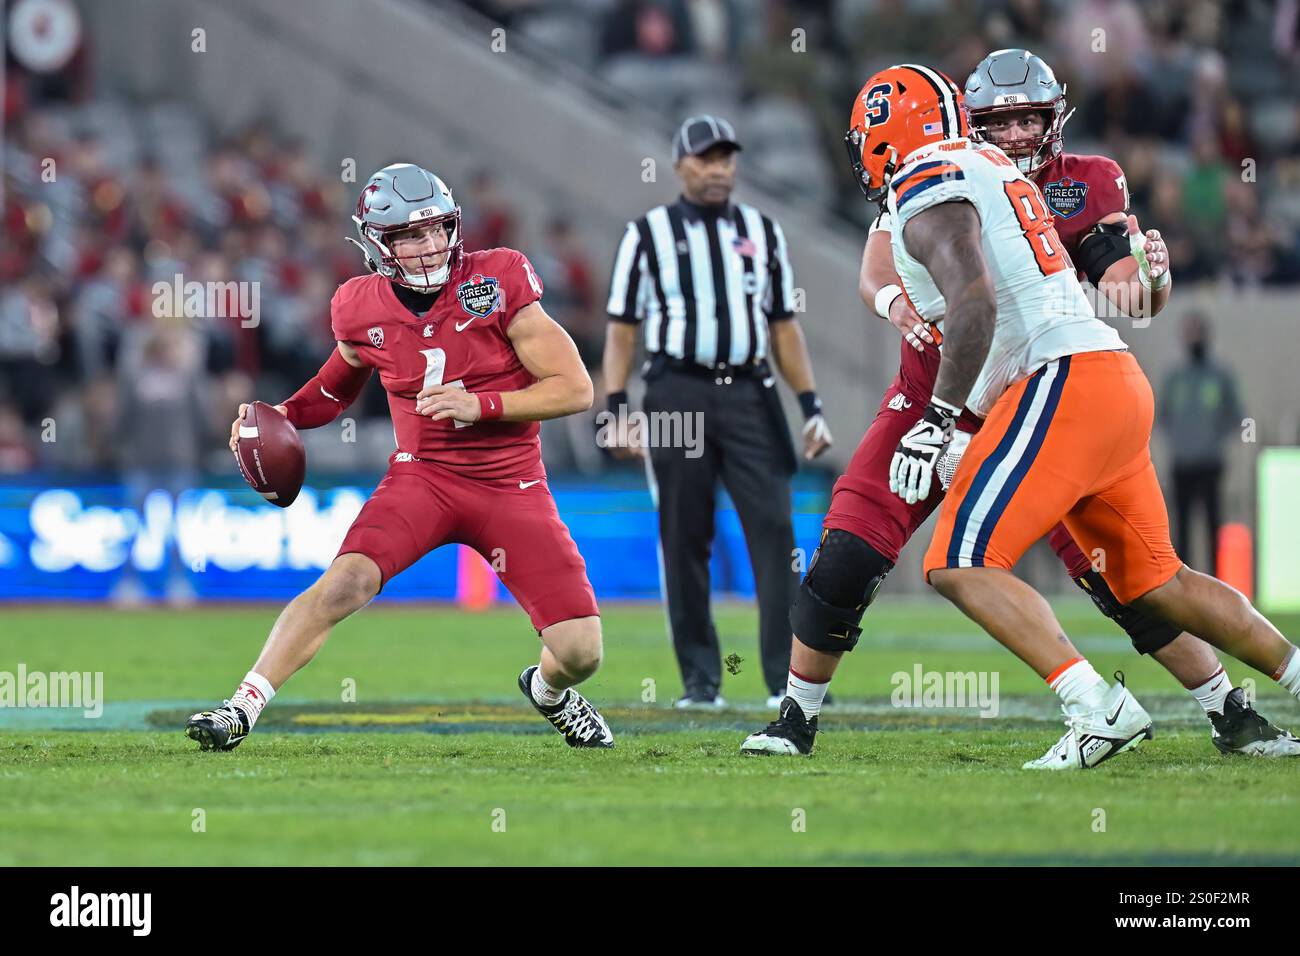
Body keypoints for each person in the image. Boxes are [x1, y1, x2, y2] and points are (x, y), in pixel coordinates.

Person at [747, 62, 1300, 768]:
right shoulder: (980, 167)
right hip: (1030, 380)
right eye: (998, 122)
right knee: (1147, 574)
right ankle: (797, 715)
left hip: (1032, 386)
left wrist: (941, 420)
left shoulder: (948, 178)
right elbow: (884, 270)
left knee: (979, 563)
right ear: (966, 125)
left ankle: (1121, 706)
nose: (1012, 133)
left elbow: (994, 300)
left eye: (1026, 119)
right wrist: (901, 317)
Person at [187, 164, 613, 751]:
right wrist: (278, 416)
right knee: (344, 583)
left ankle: (547, 691)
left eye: (438, 229)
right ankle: (242, 706)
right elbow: (334, 390)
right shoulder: (358, 307)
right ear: (378, 243)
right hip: (425, 478)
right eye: (411, 235)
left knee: (580, 652)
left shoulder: (500, 276)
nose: (431, 244)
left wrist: (481, 405)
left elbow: (575, 388)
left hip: (510, 484)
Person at [603, 114, 833, 708]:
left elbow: (784, 325)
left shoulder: (763, 230)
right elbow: (623, 329)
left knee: (777, 532)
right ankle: (702, 681)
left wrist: (810, 405)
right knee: (685, 535)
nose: (719, 170)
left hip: (750, 394)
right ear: (680, 164)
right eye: (707, 159)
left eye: (727, 159)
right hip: (677, 390)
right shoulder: (647, 234)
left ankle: (790, 681)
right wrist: (617, 407)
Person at [1159, 312, 1243, 570]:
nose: (1193, 338)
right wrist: (1180, 442)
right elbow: (1163, 414)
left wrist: (1212, 441)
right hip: (1182, 463)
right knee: (1181, 527)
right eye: (1189, 332)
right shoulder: (1176, 377)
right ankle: (1185, 585)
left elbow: (1235, 415)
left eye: (1197, 332)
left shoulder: (1220, 375)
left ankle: (1216, 581)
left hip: (1210, 463)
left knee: (1212, 525)